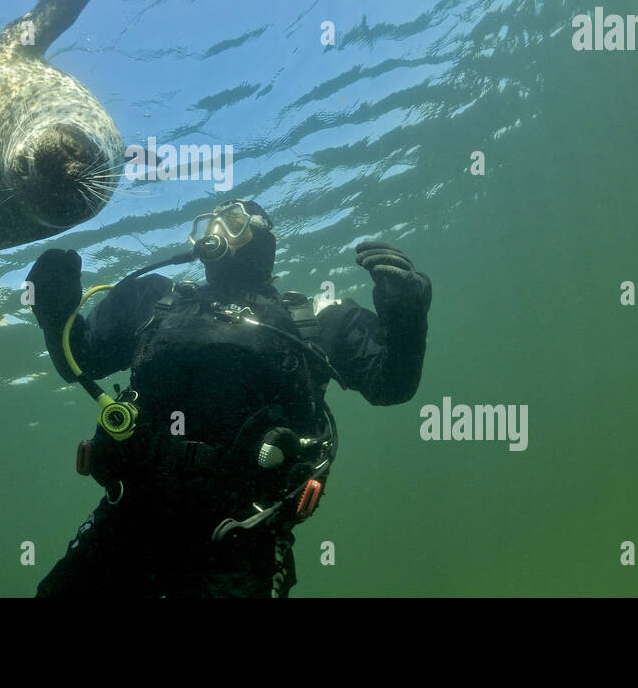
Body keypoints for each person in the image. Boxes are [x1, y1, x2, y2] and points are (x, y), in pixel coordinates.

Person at [25, 199, 431, 597]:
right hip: (129, 518)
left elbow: (391, 385)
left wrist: (406, 314)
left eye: (232, 221)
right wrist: (54, 310)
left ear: (263, 235)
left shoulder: (316, 319)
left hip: (242, 537)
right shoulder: (153, 300)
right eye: (207, 224)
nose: (215, 232)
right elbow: (79, 359)